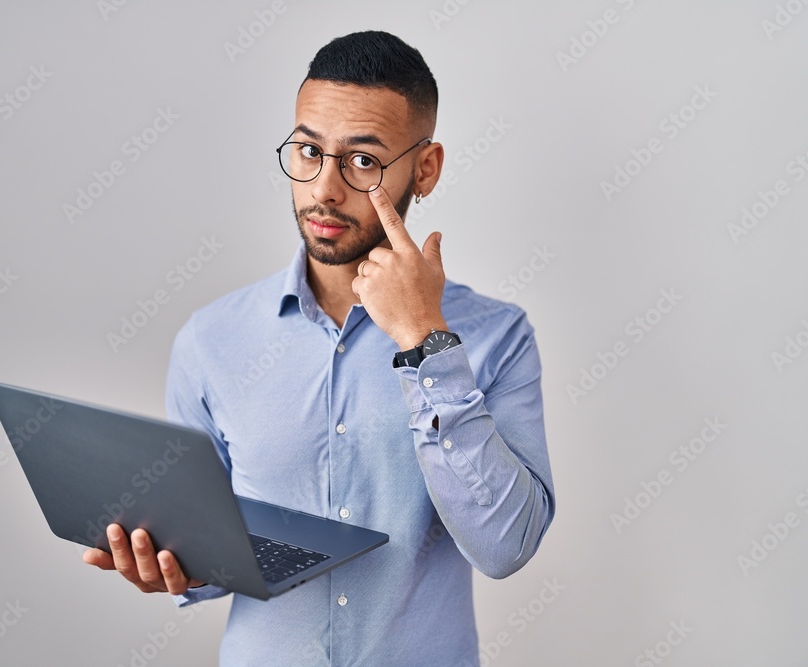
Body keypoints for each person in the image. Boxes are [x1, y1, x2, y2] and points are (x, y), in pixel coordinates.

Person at [83, 30, 555, 665]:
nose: (324, 189)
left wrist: (425, 342)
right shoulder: (211, 340)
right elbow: (213, 547)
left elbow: (505, 545)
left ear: (426, 168)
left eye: (362, 161)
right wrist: (177, 565)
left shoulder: (498, 336)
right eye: (308, 151)